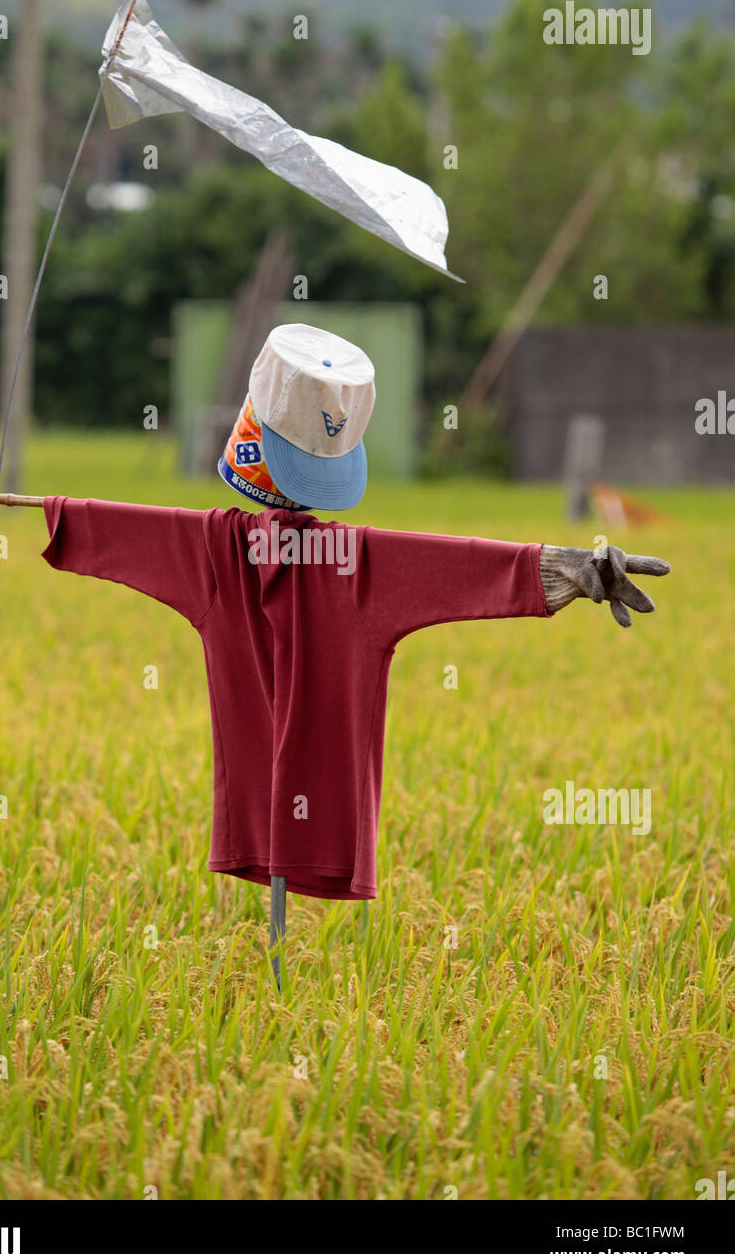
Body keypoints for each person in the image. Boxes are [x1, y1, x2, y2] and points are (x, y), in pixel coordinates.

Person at [40, 324, 671, 901]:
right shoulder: (360, 561)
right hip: (326, 816)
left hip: (275, 814)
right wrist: (563, 569)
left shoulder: (213, 551)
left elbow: (117, 530)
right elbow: (467, 566)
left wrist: (53, 513)